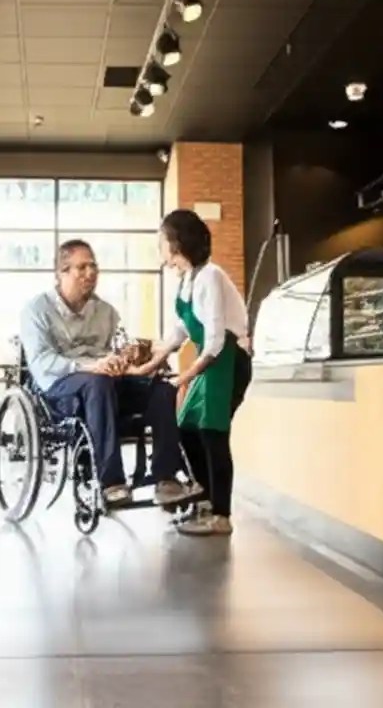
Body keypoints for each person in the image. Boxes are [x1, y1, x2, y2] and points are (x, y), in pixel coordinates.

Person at [18, 239, 190, 508]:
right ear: (61, 272)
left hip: (105, 385)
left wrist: (129, 360)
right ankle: (111, 482)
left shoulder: (106, 312)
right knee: (98, 383)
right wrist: (91, 366)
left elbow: (119, 349)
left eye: (94, 266)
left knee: (162, 389)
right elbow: (41, 362)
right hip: (59, 389)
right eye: (82, 267)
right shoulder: (36, 310)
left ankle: (165, 476)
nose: (91, 273)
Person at [128, 210, 251, 536]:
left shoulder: (210, 276)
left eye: (162, 241)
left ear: (176, 243)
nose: (160, 249)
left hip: (227, 361)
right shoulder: (187, 281)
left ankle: (221, 516)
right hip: (211, 364)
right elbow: (179, 334)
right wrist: (147, 366)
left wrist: (184, 377)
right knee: (186, 430)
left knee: (213, 435)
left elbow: (213, 341)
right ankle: (206, 503)